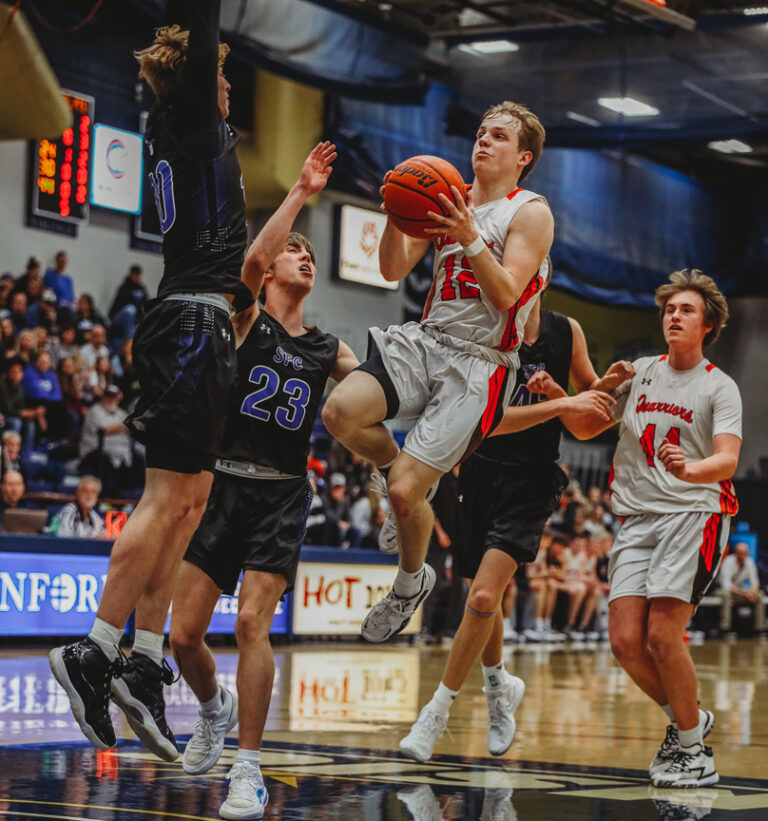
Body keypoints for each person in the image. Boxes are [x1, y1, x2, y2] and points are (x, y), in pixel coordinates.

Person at [49, 0, 255, 764]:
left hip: (203, 322)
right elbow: (202, 27)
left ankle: (141, 658)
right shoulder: (193, 117)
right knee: (166, 499)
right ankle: (93, 649)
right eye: (220, 76)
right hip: (191, 325)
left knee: (190, 504)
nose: (227, 88)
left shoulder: (187, 129)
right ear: (198, 79)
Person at [169, 142, 356, 820]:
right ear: (274, 268)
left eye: (311, 257)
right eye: (294, 253)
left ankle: (247, 769)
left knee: (251, 621)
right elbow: (249, 263)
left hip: (280, 492)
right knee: (183, 637)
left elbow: (380, 393)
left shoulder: (328, 348)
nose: (306, 259)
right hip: (221, 484)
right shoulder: (245, 318)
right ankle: (212, 709)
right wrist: (301, 190)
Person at [323, 101, 555, 643]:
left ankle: (409, 585)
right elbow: (391, 268)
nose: (483, 141)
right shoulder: (450, 194)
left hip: (481, 364)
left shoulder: (530, 212)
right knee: (340, 413)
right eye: (480, 133)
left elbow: (506, 295)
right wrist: (392, 214)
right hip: (428, 341)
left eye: (498, 136)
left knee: (407, 493)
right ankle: (392, 470)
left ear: (523, 157)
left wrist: (468, 234)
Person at [398, 292, 631, 762]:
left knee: (484, 596)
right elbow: (485, 423)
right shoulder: (482, 328)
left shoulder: (567, 332)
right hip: (477, 471)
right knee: (482, 596)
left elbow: (586, 420)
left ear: (541, 272)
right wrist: (558, 403)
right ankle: (499, 686)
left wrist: (608, 385)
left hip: (531, 480)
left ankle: (436, 712)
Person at [599, 270, 741, 788]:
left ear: (708, 325)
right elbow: (588, 424)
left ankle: (694, 753)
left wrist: (689, 469)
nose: (674, 316)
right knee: (624, 642)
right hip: (638, 517)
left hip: (695, 513)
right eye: (669, 309)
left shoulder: (719, 386)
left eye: (686, 310)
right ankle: (689, 722)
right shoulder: (640, 372)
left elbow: (727, 460)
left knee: (662, 635)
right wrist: (591, 388)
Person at [717, 541, 764, 634]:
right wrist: (745, 593)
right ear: (735, 552)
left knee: (760, 595)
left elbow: (755, 582)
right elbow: (726, 584)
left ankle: (759, 628)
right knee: (726, 594)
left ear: (747, 553)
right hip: (722, 590)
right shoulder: (728, 561)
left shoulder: (749, 562)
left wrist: (753, 592)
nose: (742, 555)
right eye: (740, 553)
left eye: (744, 553)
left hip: (739, 592)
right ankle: (725, 628)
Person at [109, 264, 149, 346]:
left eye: (138, 275)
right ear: (131, 275)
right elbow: (125, 303)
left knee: (147, 314)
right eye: (135, 275)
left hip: (135, 319)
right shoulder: (124, 287)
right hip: (118, 317)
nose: (137, 277)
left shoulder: (142, 288)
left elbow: (146, 304)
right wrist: (139, 307)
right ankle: (128, 340)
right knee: (130, 310)